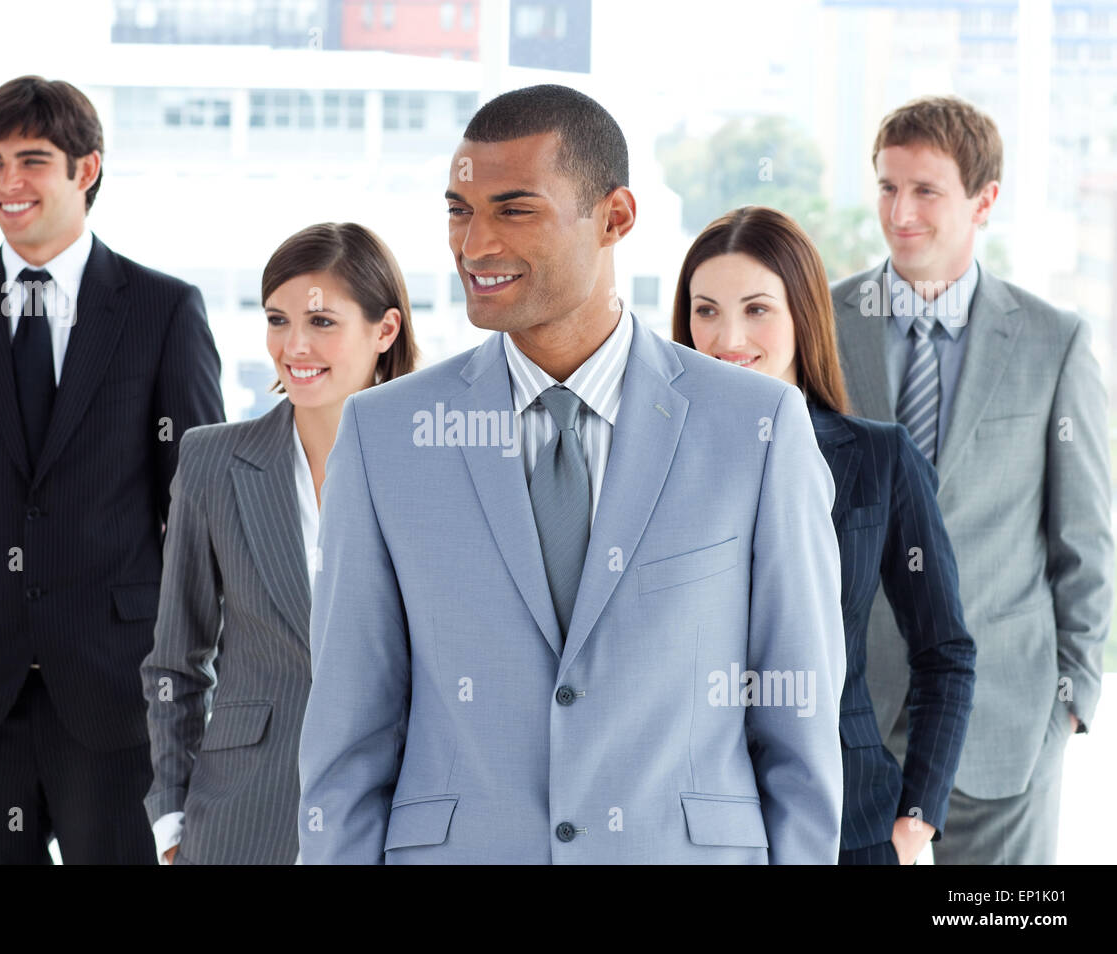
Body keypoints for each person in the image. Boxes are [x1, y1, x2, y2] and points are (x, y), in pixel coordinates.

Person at [297, 84, 845, 864]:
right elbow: (349, 740)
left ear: (615, 218)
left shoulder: (755, 430)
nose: (474, 245)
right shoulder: (384, 437)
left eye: (514, 210)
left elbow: (799, 729)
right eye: (459, 210)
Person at [0, 76, 225, 864]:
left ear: (86, 170)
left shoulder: (163, 311)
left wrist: (185, 679)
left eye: (32, 160)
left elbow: (201, 517)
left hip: (119, 700)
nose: (8, 184)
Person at [832, 95, 1112, 864]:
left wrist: (1072, 703)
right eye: (888, 187)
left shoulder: (1054, 341)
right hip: (855, 720)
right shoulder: (824, 321)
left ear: (984, 200)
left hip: (1007, 723)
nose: (900, 211)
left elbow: (1085, 539)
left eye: (926, 191)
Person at [674, 205, 976, 864]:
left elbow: (944, 651)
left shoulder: (879, 458)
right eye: (705, 311)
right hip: (689, 819)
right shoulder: (655, 463)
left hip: (854, 822)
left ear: (802, 314)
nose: (727, 337)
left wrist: (914, 823)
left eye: (756, 309)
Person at [141, 223, 417, 865]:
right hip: (240, 815)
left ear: (385, 330)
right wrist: (172, 821)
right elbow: (175, 663)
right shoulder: (212, 462)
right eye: (277, 319)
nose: (294, 345)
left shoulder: (433, 465)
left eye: (321, 322)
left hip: (394, 811)